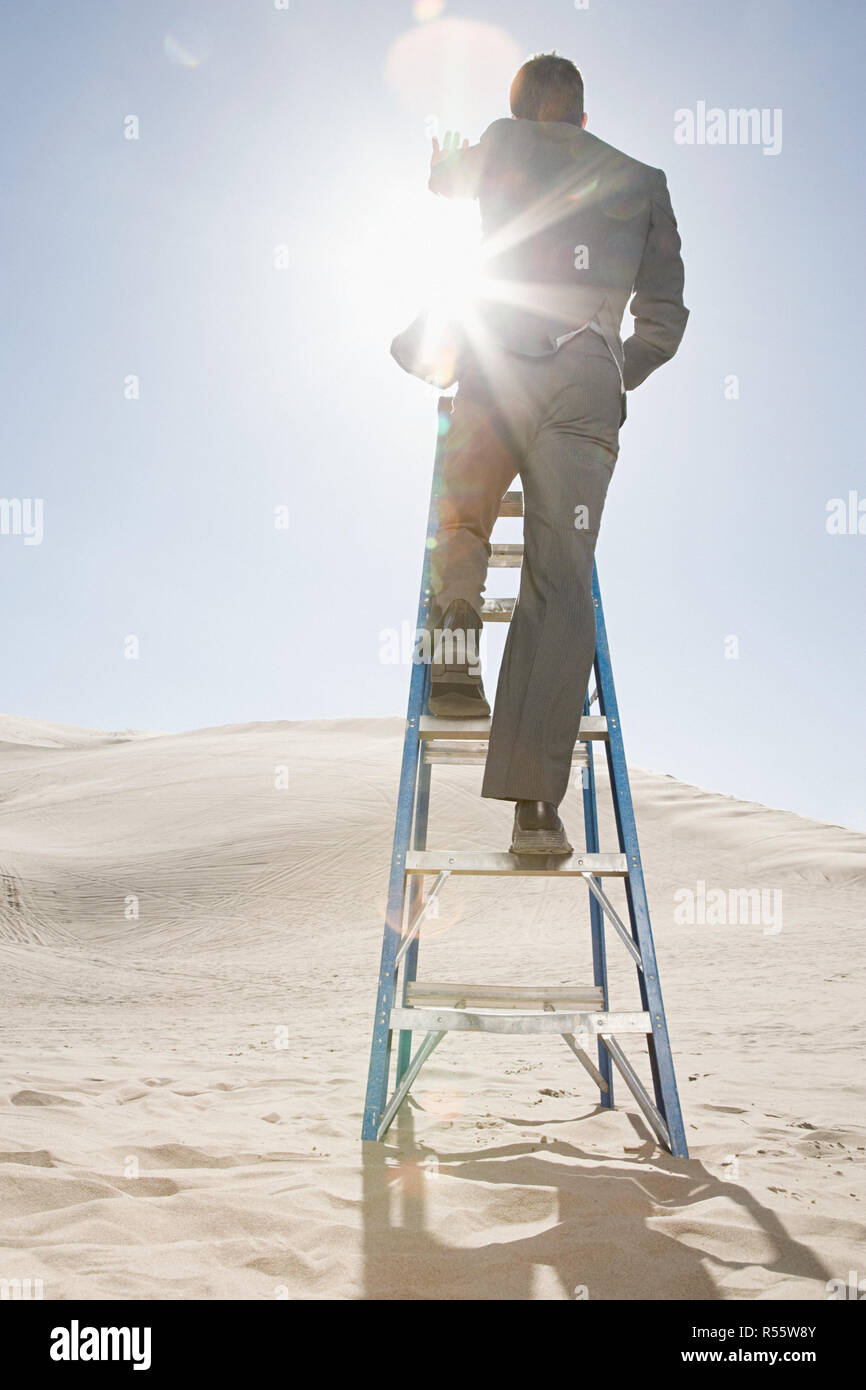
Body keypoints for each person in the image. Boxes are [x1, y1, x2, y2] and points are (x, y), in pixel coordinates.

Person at [392, 53, 689, 854]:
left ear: (522, 113)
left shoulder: (501, 142)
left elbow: (449, 180)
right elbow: (666, 313)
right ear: (584, 117)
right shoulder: (642, 178)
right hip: (587, 381)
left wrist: (440, 164)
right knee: (562, 578)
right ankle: (535, 809)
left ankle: (455, 640)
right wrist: (612, 366)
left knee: (464, 504)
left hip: (496, 360)